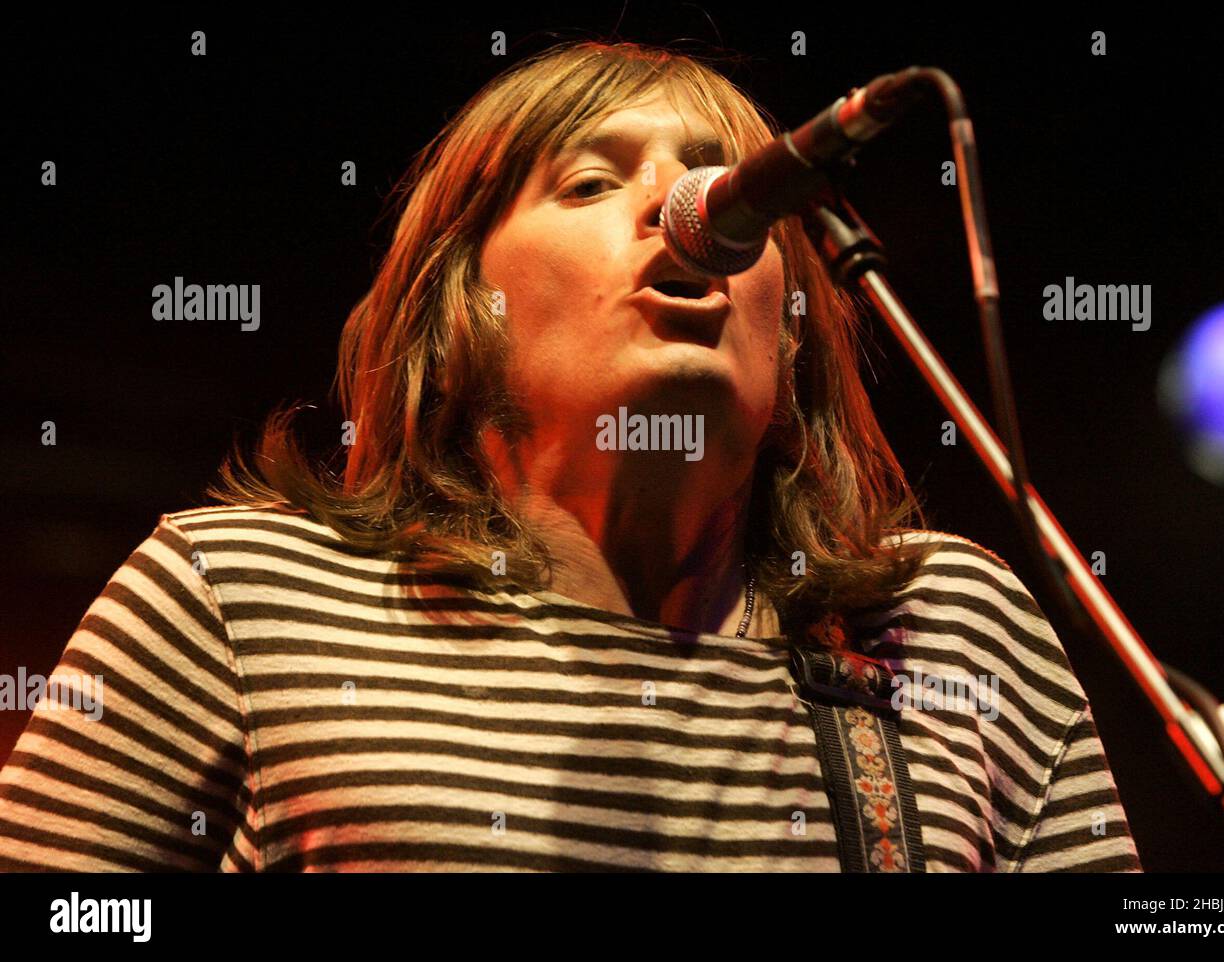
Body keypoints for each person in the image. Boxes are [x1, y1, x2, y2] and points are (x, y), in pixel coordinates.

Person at [0, 40, 1140, 872]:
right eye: (591, 181)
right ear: (467, 311)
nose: (681, 205)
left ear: (788, 323)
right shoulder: (239, 596)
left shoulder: (949, 624)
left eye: (723, 181)